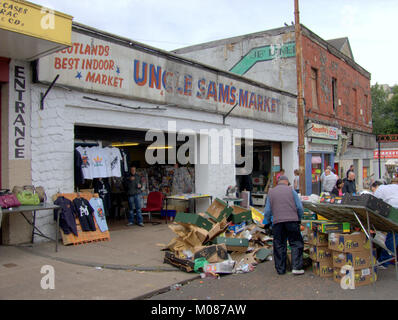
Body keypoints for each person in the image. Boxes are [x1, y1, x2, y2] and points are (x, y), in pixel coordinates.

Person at [263, 175, 304, 275]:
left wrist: (267, 222)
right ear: (287, 182)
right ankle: (296, 267)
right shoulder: (292, 191)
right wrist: (299, 218)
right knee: (296, 243)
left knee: (279, 245)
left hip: (277, 222)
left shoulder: (271, 192)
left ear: (278, 182)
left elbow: (267, 211)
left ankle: (281, 270)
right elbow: (299, 207)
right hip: (292, 221)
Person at [371, 181, 398, 268]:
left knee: (392, 236)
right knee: (396, 236)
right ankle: (393, 259)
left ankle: (384, 262)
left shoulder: (379, 189)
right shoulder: (392, 186)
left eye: (373, 190)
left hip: (394, 210)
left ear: (375, 187)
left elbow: (373, 203)